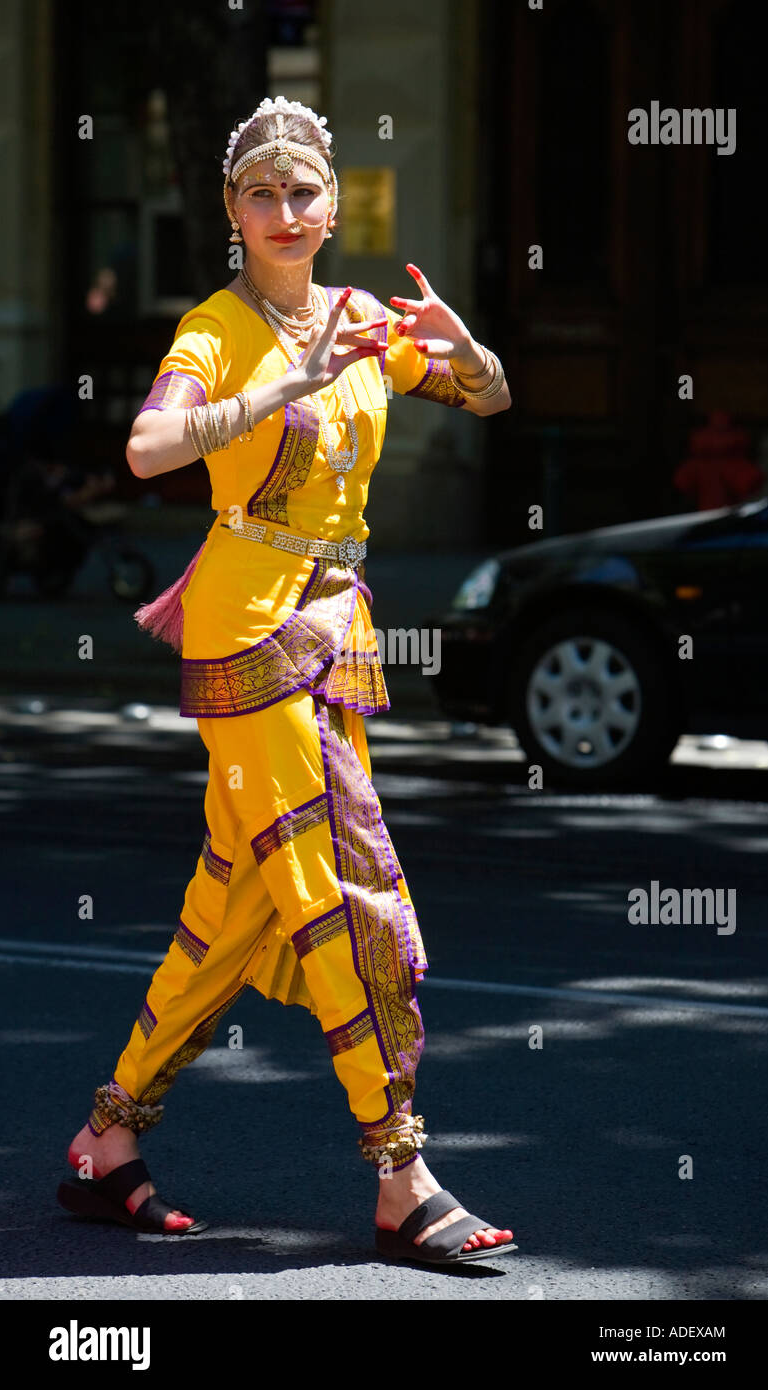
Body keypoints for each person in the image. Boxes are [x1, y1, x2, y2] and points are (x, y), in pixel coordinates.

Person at [57, 95, 515, 1266]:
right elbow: (148, 448)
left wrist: (465, 351)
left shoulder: (362, 315)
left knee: (234, 902)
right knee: (339, 882)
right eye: (260, 193)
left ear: (332, 205)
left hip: (331, 624)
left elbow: (491, 395)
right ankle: (399, 1169)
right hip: (246, 626)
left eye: (303, 191)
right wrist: (271, 393)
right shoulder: (216, 326)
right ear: (231, 210)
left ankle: (106, 1146)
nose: (285, 212)